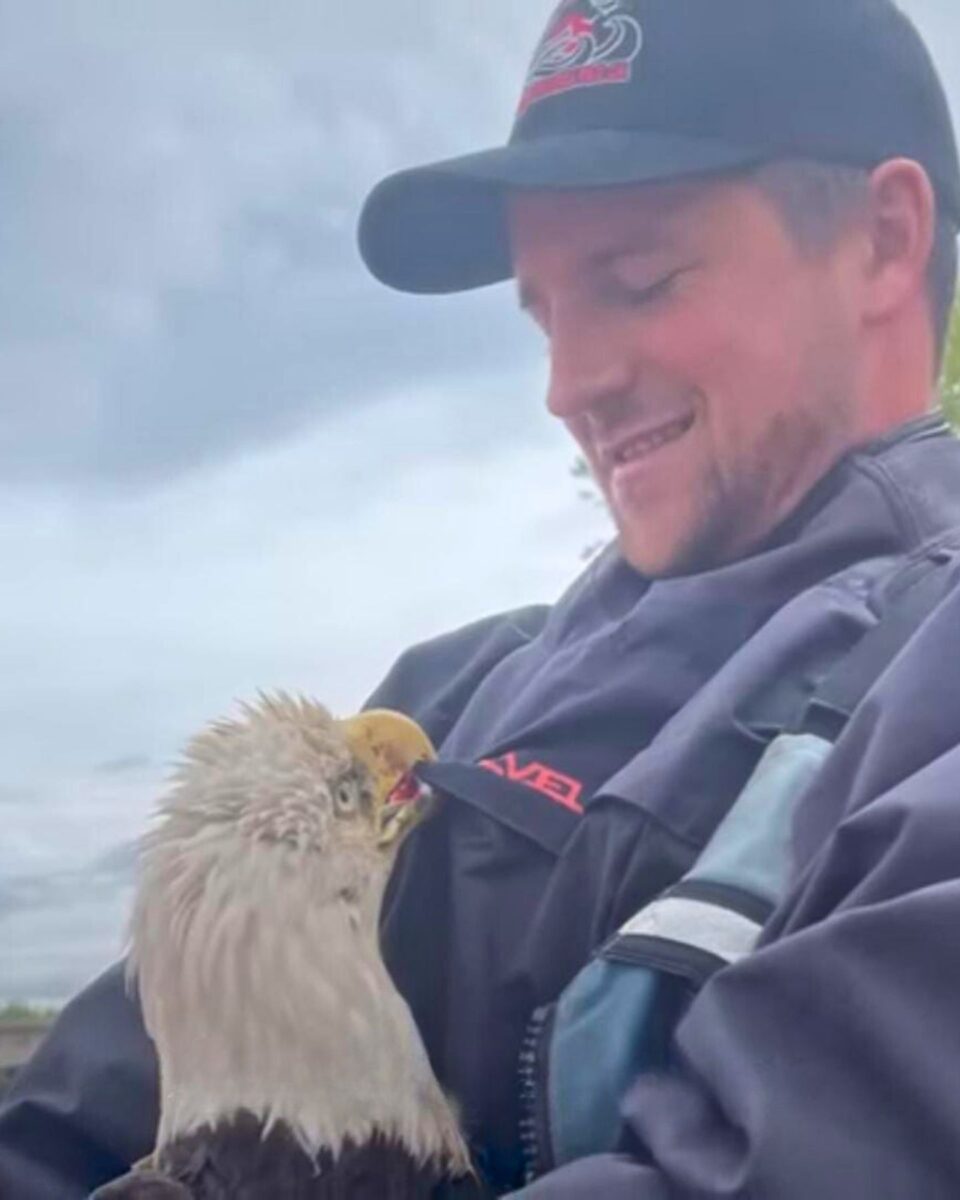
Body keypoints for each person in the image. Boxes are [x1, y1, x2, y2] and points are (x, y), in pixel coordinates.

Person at [4, 0, 960, 1195]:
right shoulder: (445, 697)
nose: (568, 385)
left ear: (882, 240)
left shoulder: (931, 685)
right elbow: (74, 1114)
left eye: (638, 279)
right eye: (543, 312)